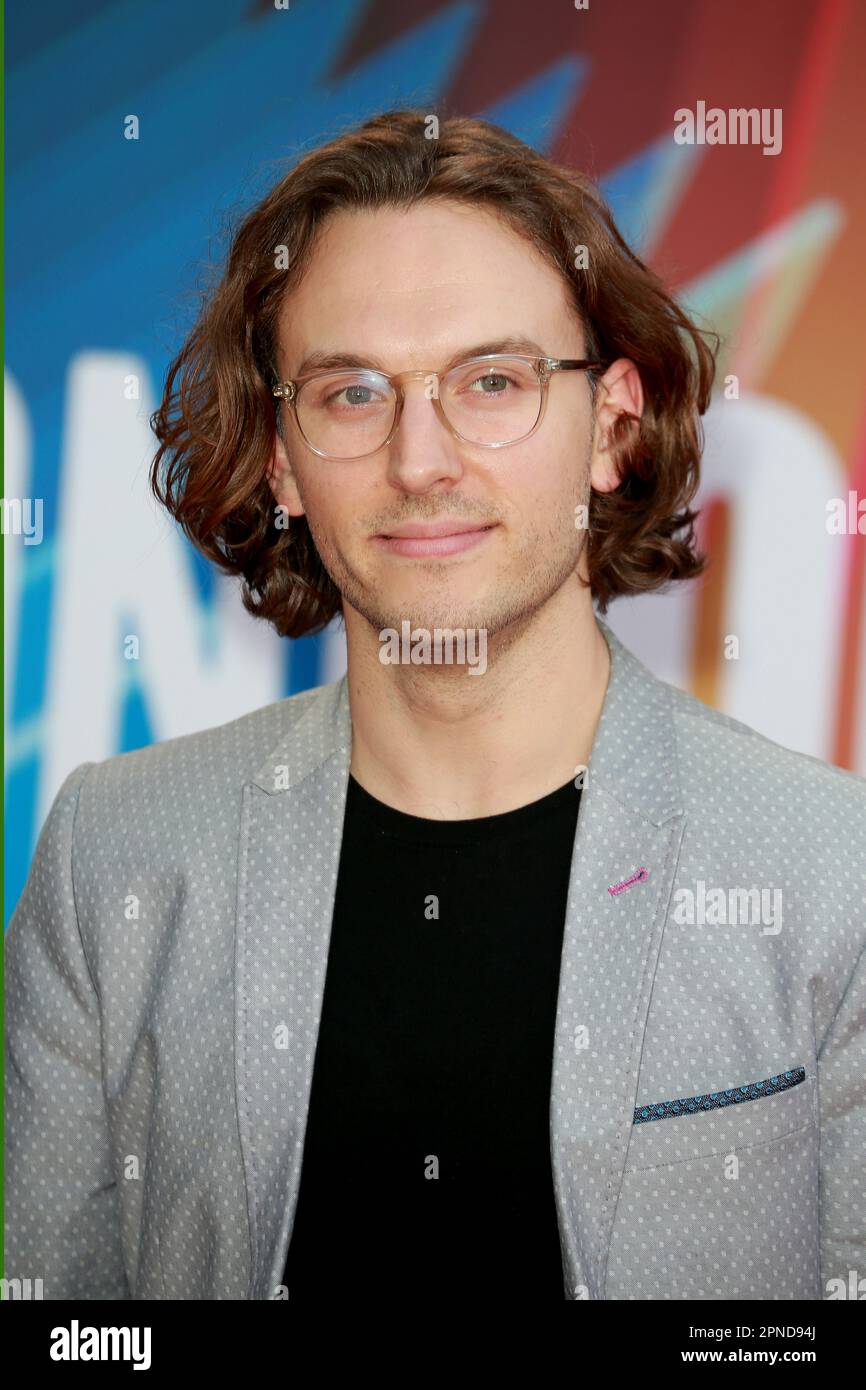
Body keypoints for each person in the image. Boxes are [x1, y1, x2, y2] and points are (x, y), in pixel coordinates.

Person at [5, 109, 864, 1302]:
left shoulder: (830, 867)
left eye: (493, 381)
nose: (421, 461)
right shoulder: (118, 854)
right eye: (353, 393)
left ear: (610, 423)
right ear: (280, 456)